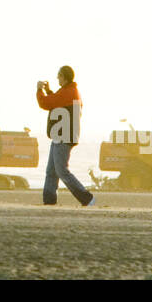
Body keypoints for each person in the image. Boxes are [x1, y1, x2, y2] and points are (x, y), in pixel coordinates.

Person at [36, 65, 95, 206]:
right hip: (61, 136)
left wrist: (39, 90)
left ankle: (87, 198)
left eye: (59, 76)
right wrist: (49, 91)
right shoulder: (70, 91)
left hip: (64, 137)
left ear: (64, 77)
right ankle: (49, 201)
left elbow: (46, 103)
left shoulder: (68, 92)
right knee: (51, 171)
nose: (57, 78)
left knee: (61, 171)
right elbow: (56, 103)